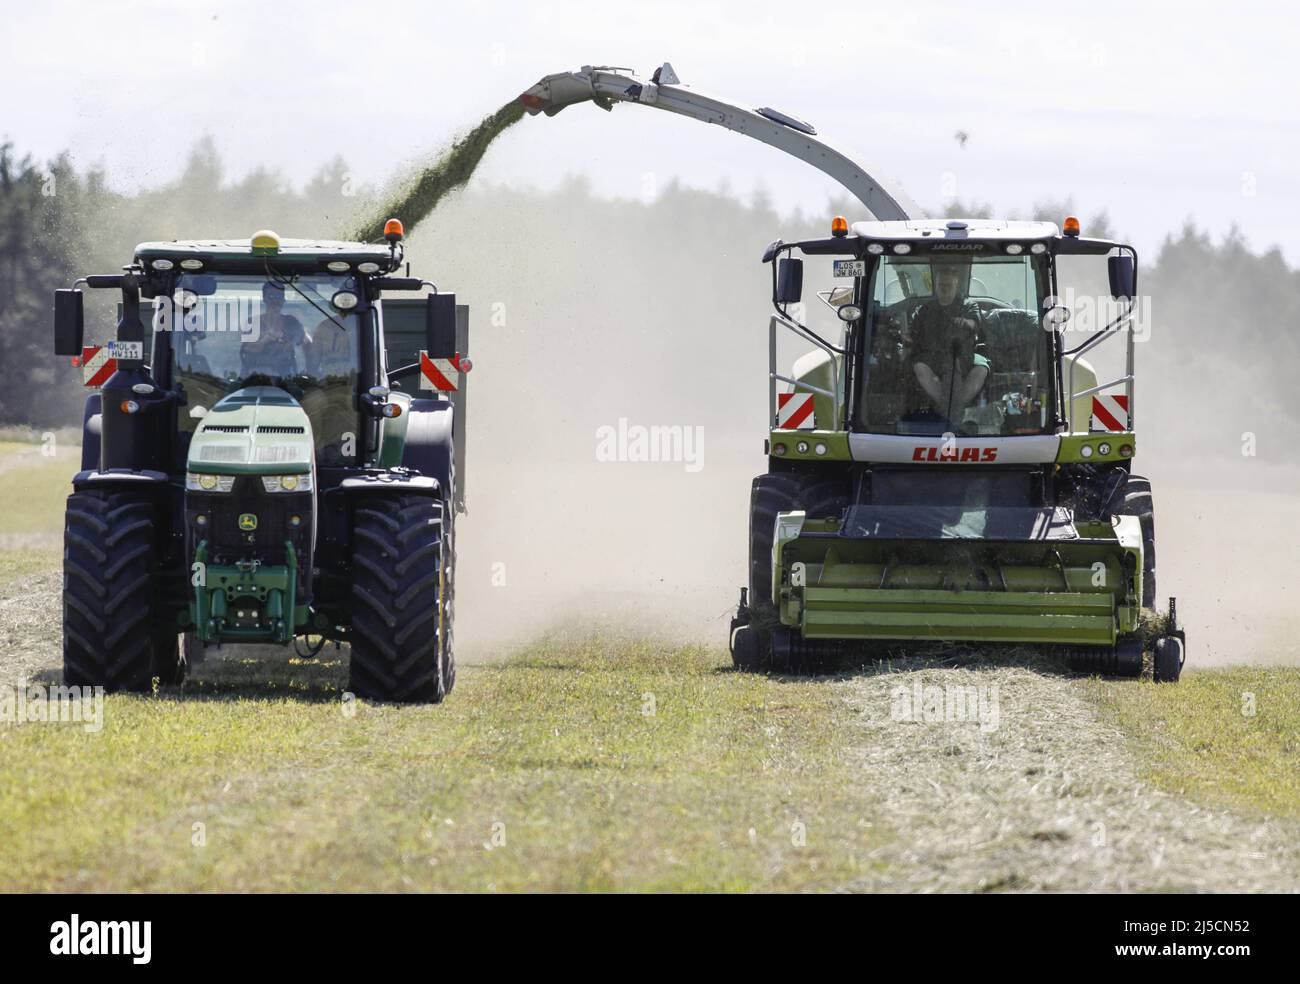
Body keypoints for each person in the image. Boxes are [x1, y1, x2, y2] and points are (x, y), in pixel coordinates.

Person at [908, 260, 990, 416]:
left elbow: (977, 324)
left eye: (948, 286)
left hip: (965, 356)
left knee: (981, 368)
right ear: (936, 286)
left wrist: (966, 322)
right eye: (941, 286)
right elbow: (912, 333)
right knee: (919, 366)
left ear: (956, 285)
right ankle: (950, 406)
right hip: (932, 357)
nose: (944, 289)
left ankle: (955, 405)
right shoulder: (925, 310)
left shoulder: (968, 305)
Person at [242, 281, 305, 377]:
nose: (275, 300)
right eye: (271, 296)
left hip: (286, 377)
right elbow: (247, 353)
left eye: (279, 296)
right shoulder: (252, 322)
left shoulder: (291, 322)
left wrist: (284, 338)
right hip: (255, 376)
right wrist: (265, 340)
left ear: (284, 299)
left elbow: (300, 342)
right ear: (264, 299)